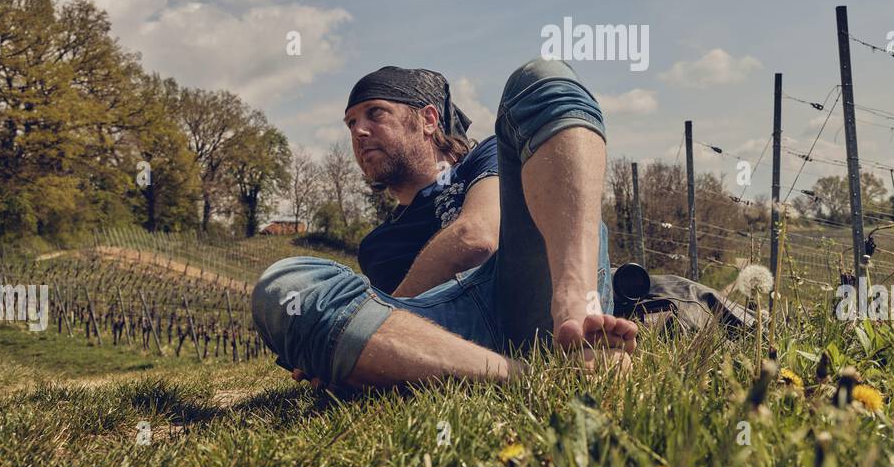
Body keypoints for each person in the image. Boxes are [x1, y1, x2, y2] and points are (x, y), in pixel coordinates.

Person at [252, 58, 637, 390]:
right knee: (285, 286)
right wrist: (341, 339)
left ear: (428, 119)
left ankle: (579, 309)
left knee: (539, 76)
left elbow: (478, 236)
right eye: (350, 122)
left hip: (531, 297)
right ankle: (522, 376)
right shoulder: (376, 245)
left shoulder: (483, 159)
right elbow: (385, 329)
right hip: (449, 343)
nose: (358, 131)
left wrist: (386, 313)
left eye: (375, 113)